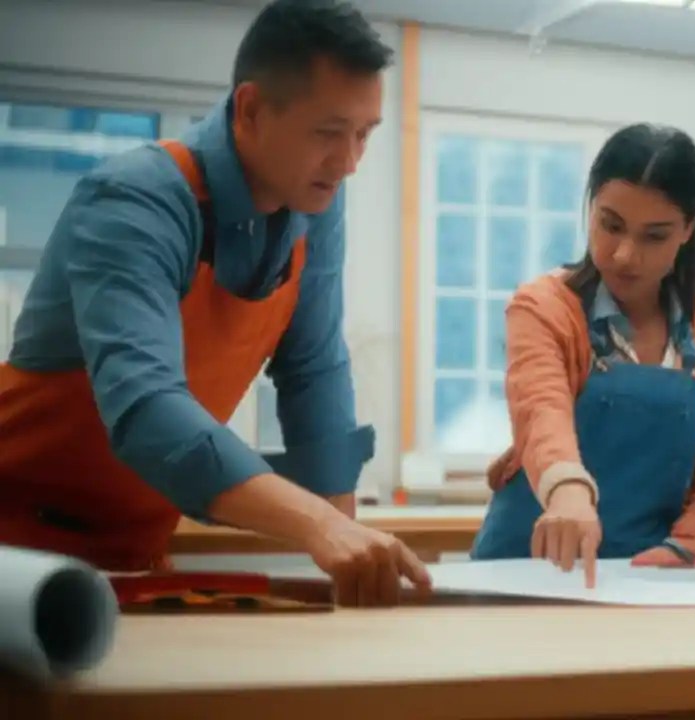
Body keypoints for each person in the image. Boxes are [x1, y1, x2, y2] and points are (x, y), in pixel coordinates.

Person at [0, 0, 432, 607]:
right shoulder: (134, 198)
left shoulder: (316, 200)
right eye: (329, 134)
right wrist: (318, 524)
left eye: (365, 134)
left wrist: (352, 548)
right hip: (10, 550)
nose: (351, 163)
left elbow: (313, 370)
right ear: (251, 109)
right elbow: (147, 409)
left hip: (133, 557)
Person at [472, 123, 695, 587]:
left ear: (688, 230)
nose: (624, 255)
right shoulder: (544, 307)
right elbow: (541, 413)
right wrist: (566, 492)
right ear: (591, 207)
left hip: (647, 583)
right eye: (610, 225)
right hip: (523, 572)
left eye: (654, 236)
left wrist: (683, 546)